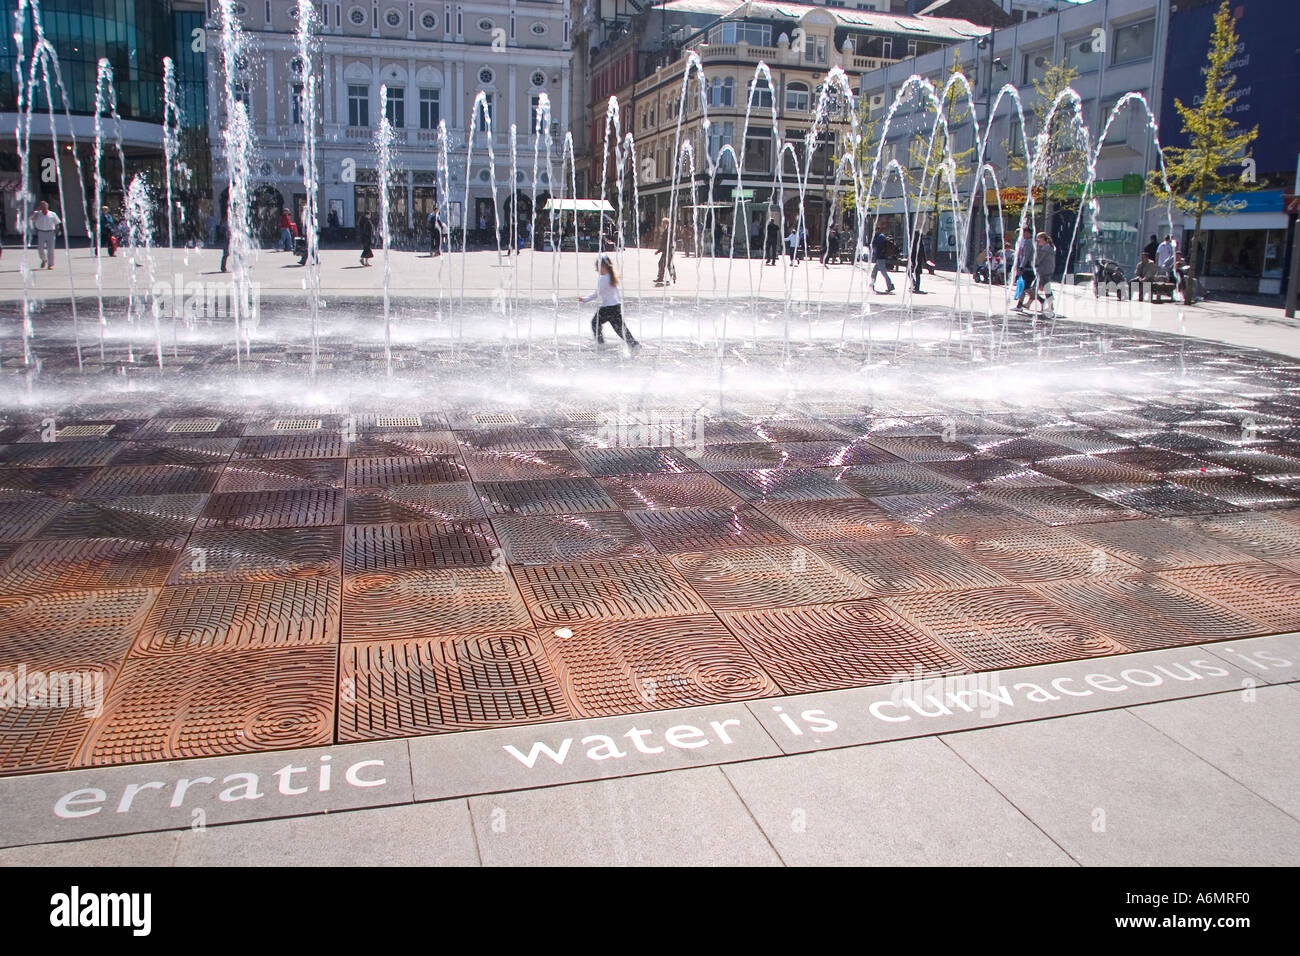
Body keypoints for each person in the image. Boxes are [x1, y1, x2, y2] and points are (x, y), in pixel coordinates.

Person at [579, 254, 638, 351]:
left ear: (603, 266)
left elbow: (596, 294)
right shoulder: (612, 276)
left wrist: (584, 299)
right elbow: (617, 293)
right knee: (620, 329)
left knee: (595, 323)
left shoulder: (604, 278)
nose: (596, 270)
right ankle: (633, 344)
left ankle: (601, 344)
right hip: (615, 307)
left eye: (597, 267)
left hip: (608, 308)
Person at [30, 201, 61, 269]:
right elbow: (33, 219)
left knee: (51, 249)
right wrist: (38, 211)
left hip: (50, 232)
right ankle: (44, 259)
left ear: (47, 206)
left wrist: (57, 230)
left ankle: (50, 264)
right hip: (41, 232)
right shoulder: (37, 213)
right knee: (40, 248)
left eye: (45, 206)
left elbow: (57, 223)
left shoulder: (52, 214)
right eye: (42, 206)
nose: (43, 207)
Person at [1032, 231, 1056, 316]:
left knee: (1044, 289)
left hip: (1045, 271)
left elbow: (1038, 259)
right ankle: (1047, 304)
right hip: (1044, 271)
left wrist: (1037, 248)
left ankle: (1049, 306)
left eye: (1038, 238)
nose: (1037, 240)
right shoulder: (1045, 247)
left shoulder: (1046, 248)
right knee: (1044, 289)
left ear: (1043, 239)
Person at [1012, 226, 1035, 310]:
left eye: (1023, 233)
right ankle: (1019, 305)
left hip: (1028, 267)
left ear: (1028, 233)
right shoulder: (1029, 241)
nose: (1022, 235)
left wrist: (1021, 266)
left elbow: (1026, 256)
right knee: (1024, 287)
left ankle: (1041, 300)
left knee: (1026, 287)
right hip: (1028, 267)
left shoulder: (1029, 242)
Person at [870, 228, 895, 294]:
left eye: (876, 230)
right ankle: (871, 284)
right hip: (880, 257)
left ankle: (890, 285)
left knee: (883, 272)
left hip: (880, 257)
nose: (875, 231)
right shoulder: (881, 236)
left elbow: (877, 247)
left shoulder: (879, 237)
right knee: (874, 272)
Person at [654, 216, 676, 285]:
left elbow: (668, 242)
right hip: (666, 250)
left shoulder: (669, 231)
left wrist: (663, 250)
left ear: (666, 223)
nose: (662, 224)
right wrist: (659, 250)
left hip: (668, 250)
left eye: (663, 223)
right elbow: (663, 242)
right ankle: (667, 277)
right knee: (665, 263)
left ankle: (670, 277)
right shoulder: (666, 231)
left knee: (666, 264)